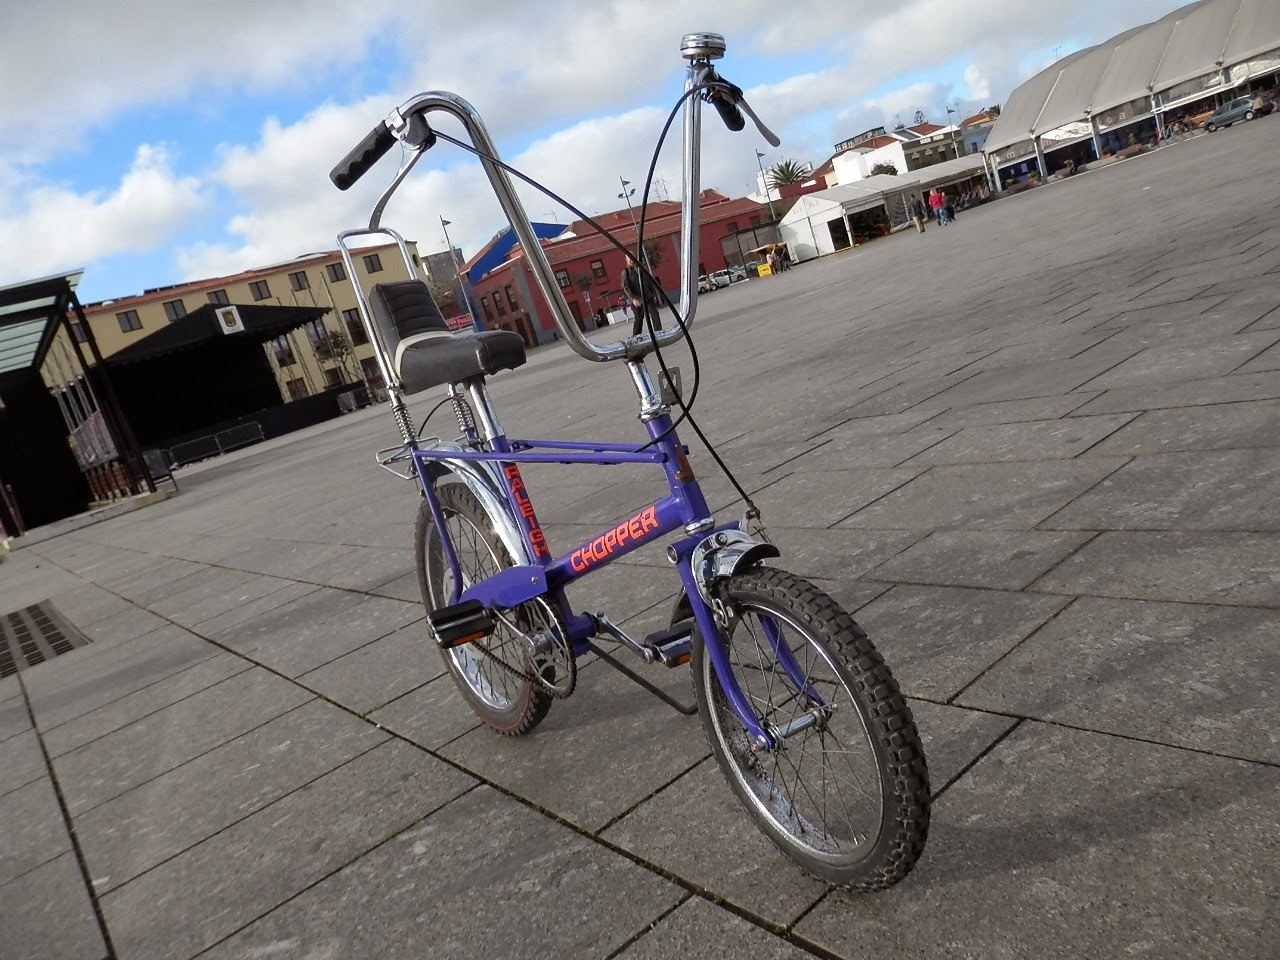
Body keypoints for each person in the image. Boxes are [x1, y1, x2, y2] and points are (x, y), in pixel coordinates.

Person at [620, 254, 662, 335]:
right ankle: (636, 337)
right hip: (637, 300)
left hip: (647, 297)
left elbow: (649, 282)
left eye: (633, 257)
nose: (632, 259)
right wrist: (633, 299)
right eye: (629, 258)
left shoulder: (641, 268)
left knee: (655, 315)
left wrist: (653, 294)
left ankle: (659, 333)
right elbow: (626, 288)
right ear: (626, 259)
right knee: (639, 319)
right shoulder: (626, 272)